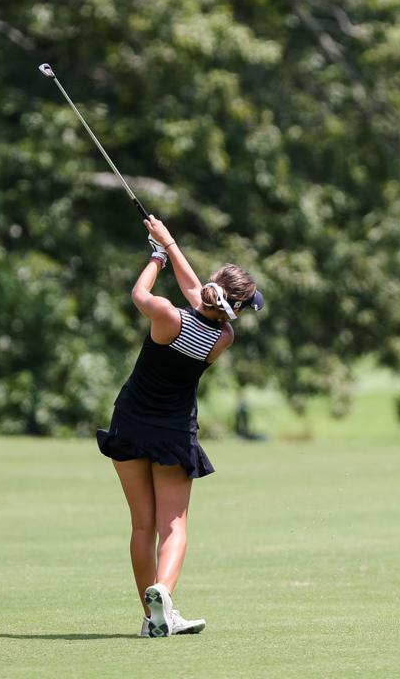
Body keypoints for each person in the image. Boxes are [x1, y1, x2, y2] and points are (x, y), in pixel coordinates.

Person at [97, 215, 265, 638]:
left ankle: (152, 616)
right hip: (172, 432)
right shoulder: (222, 338)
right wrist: (169, 244)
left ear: (210, 289)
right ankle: (163, 596)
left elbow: (141, 293)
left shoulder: (166, 316)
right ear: (234, 309)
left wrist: (158, 255)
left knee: (141, 526)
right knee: (174, 526)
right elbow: (201, 296)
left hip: (131, 422)